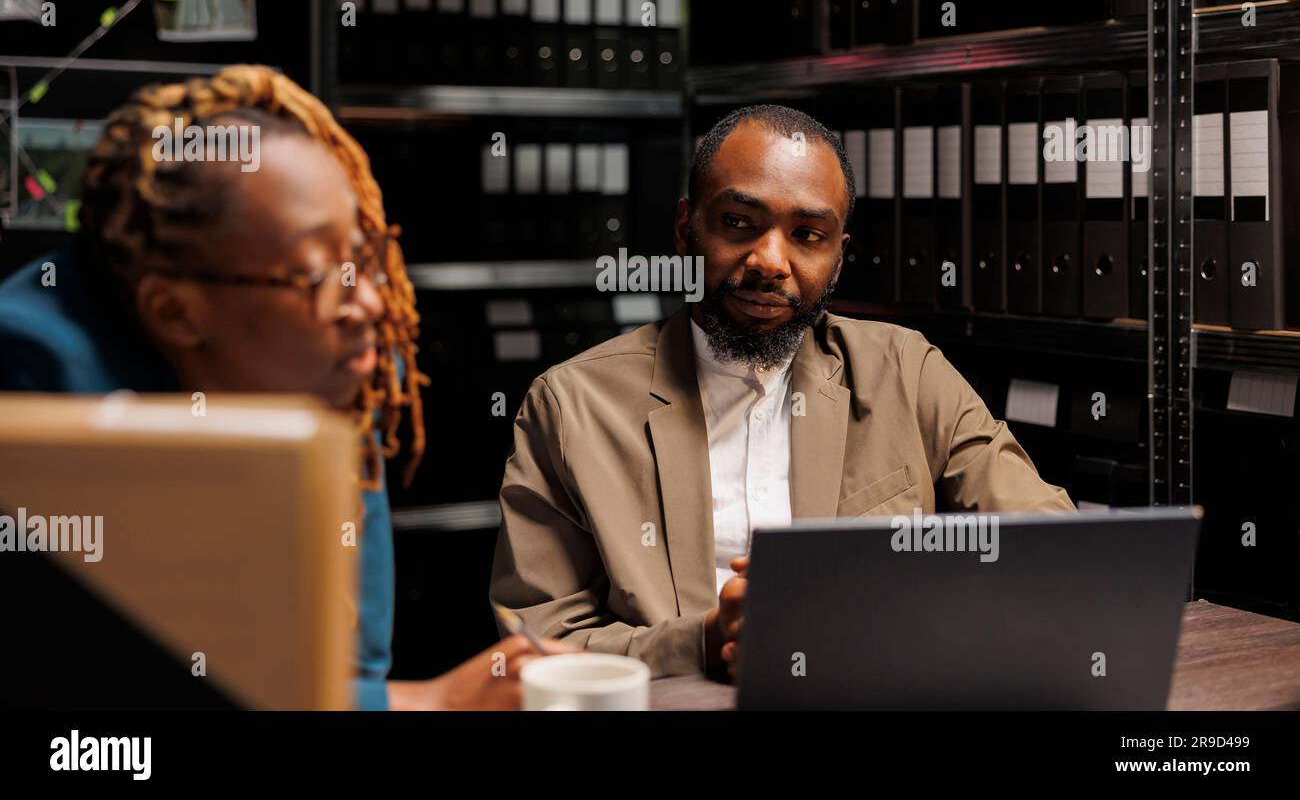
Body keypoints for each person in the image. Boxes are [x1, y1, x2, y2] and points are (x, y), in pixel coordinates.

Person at [0, 65, 567, 709]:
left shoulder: (341, 359)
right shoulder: (36, 391)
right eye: (317, 273)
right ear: (175, 312)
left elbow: (348, 661)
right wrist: (432, 703)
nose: (374, 305)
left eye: (366, 254)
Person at [490, 103, 1077, 681]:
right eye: (738, 223)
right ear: (684, 230)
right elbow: (535, 650)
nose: (770, 260)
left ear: (839, 258)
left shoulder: (907, 372)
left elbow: (1055, 552)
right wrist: (703, 641)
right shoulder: (570, 408)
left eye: (807, 234)